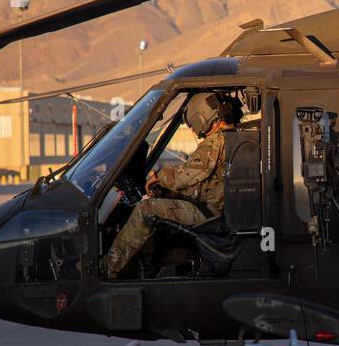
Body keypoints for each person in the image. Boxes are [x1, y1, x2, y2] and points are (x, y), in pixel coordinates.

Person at [102, 92, 240, 279]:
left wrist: (159, 177)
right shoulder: (234, 138)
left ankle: (109, 267)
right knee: (160, 207)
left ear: (202, 116)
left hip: (208, 212)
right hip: (216, 208)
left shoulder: (216, 141)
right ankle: (148, 269)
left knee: (147, 208)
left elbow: (189, 175)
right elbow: (206, 182)